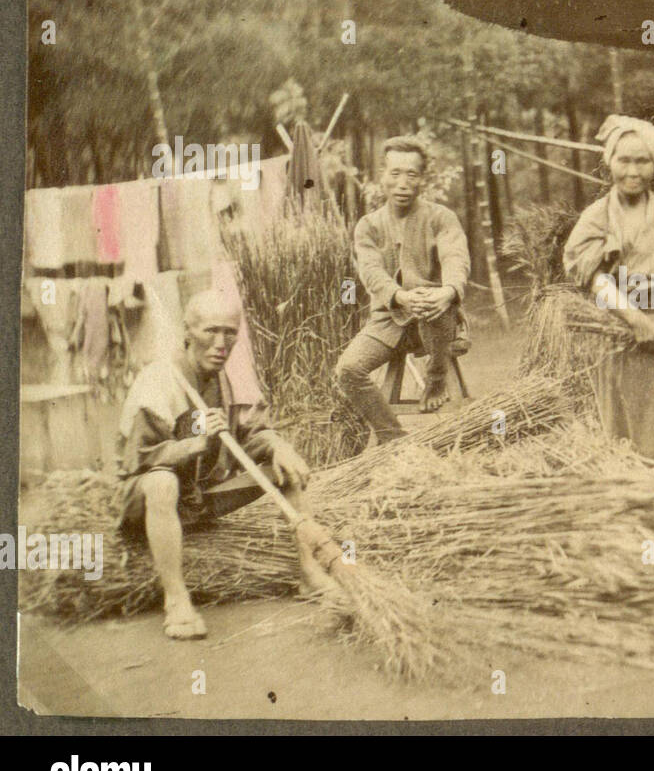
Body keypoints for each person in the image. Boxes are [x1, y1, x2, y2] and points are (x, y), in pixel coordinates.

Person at [117, 290, 328, 640]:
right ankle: (177, 599)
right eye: (210, 331)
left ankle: (309, 572)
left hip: (200, 498)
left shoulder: (232, 380)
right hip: (147, 499)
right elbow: (137, 460)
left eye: (230, 332)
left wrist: (277, 445)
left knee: (286, 468)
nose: (221, 343)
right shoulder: (159, 380)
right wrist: (193, 446)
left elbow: (253, 436)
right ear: (188, 332)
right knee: (162, 483)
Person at [563, 114, 654, 475]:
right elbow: (591, 276)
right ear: (609, 161)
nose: (633, 170)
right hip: (618, 340)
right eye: (624, 160)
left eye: (642, 161)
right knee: (624, 433)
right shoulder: (596, 218)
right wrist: (634, 319)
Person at [335, 136, 471, 442]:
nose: (402, 183)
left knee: (431, 300)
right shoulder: (368, 225)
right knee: (348, 369)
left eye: (412, 174)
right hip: (388, 322)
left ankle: (435, 376)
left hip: (437, 318)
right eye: (395, 173)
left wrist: (448, 291)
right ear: (382, 176)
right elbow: (371, 272)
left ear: (422, 179)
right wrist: (400, 297)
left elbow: (455, 258)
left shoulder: (441, 218)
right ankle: (393, 437)